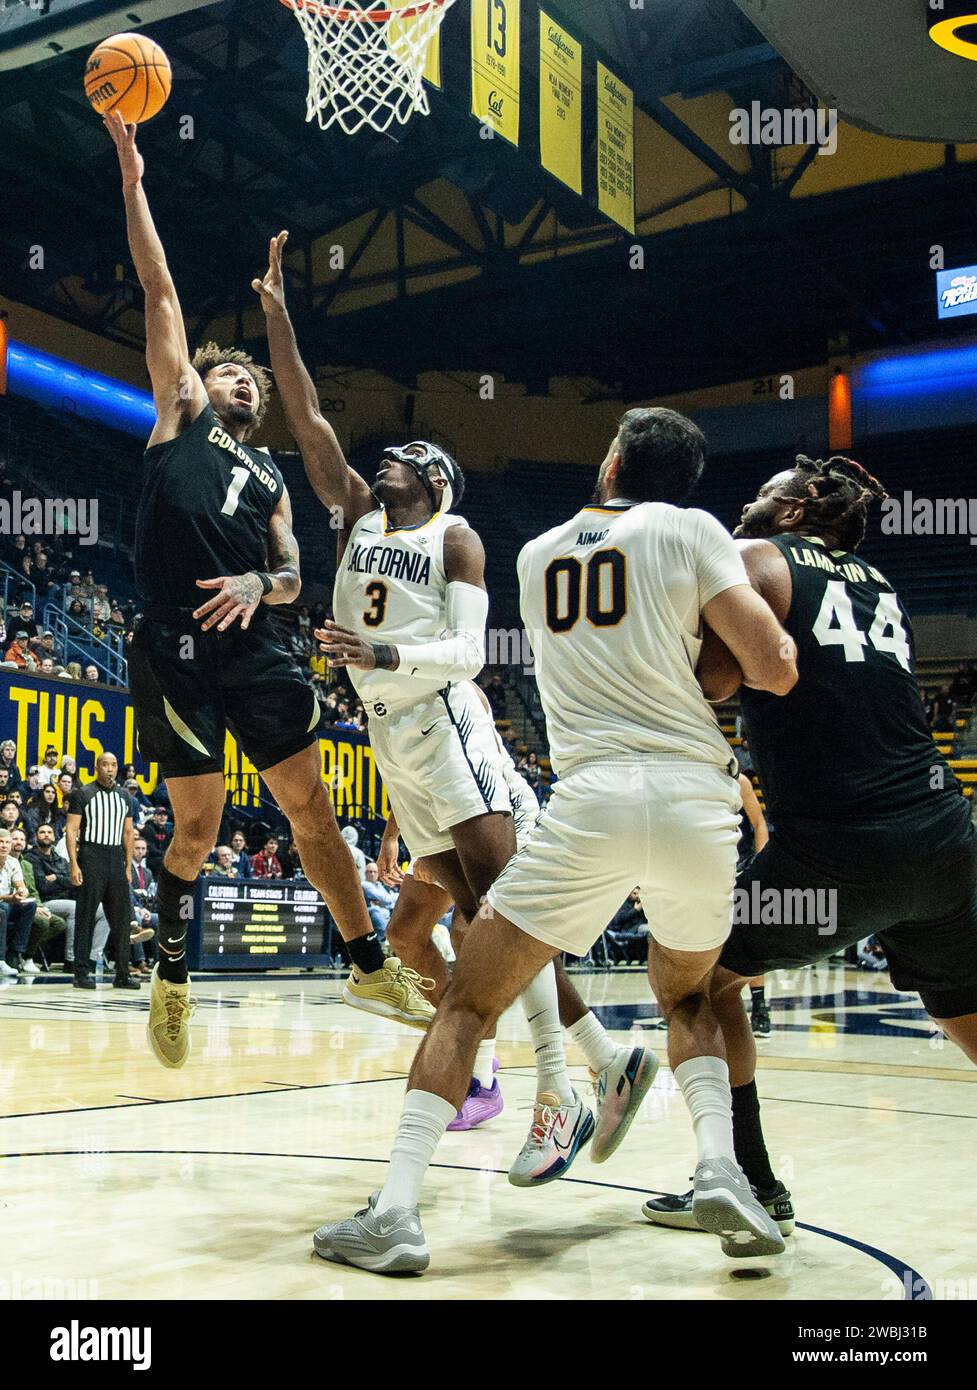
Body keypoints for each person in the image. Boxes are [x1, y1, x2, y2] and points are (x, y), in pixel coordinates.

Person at [312, 406, 797, 1274]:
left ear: (610, 462)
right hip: (696, 797)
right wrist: (719, 663)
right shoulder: (695, 530)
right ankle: (719, 1167)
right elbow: (769, 669)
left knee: (467, 998)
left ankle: (395, 1214)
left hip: (592, 800)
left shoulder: (535, 554)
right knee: (689, 999)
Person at [105, 115, 424, 1069]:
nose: (244, 382)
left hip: (258, 644)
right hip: (172, 641)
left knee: (309, 806)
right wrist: (132, 177)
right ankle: (169, 968)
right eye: (230, 371)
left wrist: (264, 581)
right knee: (195, 828)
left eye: (252, 377)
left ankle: (366, 960)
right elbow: (159, 287)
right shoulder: (181, 416)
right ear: (202, 384)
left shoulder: (275, 478)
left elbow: (292, 579)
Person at [643, 453, 977, 1241]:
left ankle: (750, 1182)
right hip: (940, 838)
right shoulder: (874, 580)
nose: (747, 507)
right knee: (967, 1015)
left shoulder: (755, 558)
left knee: (699, 982)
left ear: (794, 512)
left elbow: (717, 681)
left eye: (763, 496)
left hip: (836, 848)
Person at [64, 751, 137, 991]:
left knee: (122, 920)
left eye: (114, 765)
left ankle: (123, 974)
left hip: (115, 858)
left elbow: (128, 833)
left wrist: (127, 867)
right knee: (85, 917)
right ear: (97, 767)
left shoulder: (125, 797)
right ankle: (81, 973)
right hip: (91, 856)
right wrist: (74, 863)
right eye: (105, 764)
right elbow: (72, 830)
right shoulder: (83, 793)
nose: (110, 769)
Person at [734, 772, 772, 1038]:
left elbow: (759, 824)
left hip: (743, 869)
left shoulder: (740, 782)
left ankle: (760, 1008)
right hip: (710, 871)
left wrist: (762, 866)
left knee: (751, 942)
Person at [0, 828, 38, 977]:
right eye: (1, 842)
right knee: (3, 910)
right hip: (4, 903)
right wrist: (11, 898)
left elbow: (21, 885)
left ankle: (15, 952)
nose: (4, 846)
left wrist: (23, 892)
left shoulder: (13, 861)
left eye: (7, 842)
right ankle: (1, 960)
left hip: (7, 901)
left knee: (29, 906)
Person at [362, 861, 396, 937]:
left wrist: (386, 902)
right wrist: (387, 901)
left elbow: (389, 900)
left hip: (387, 915)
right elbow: (386, 899)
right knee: (375, 910)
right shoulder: (365, 884)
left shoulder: (379, 885)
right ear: (365, 873)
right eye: (370, 872)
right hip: (372, 915)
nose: (372, 874)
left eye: (375, 872)